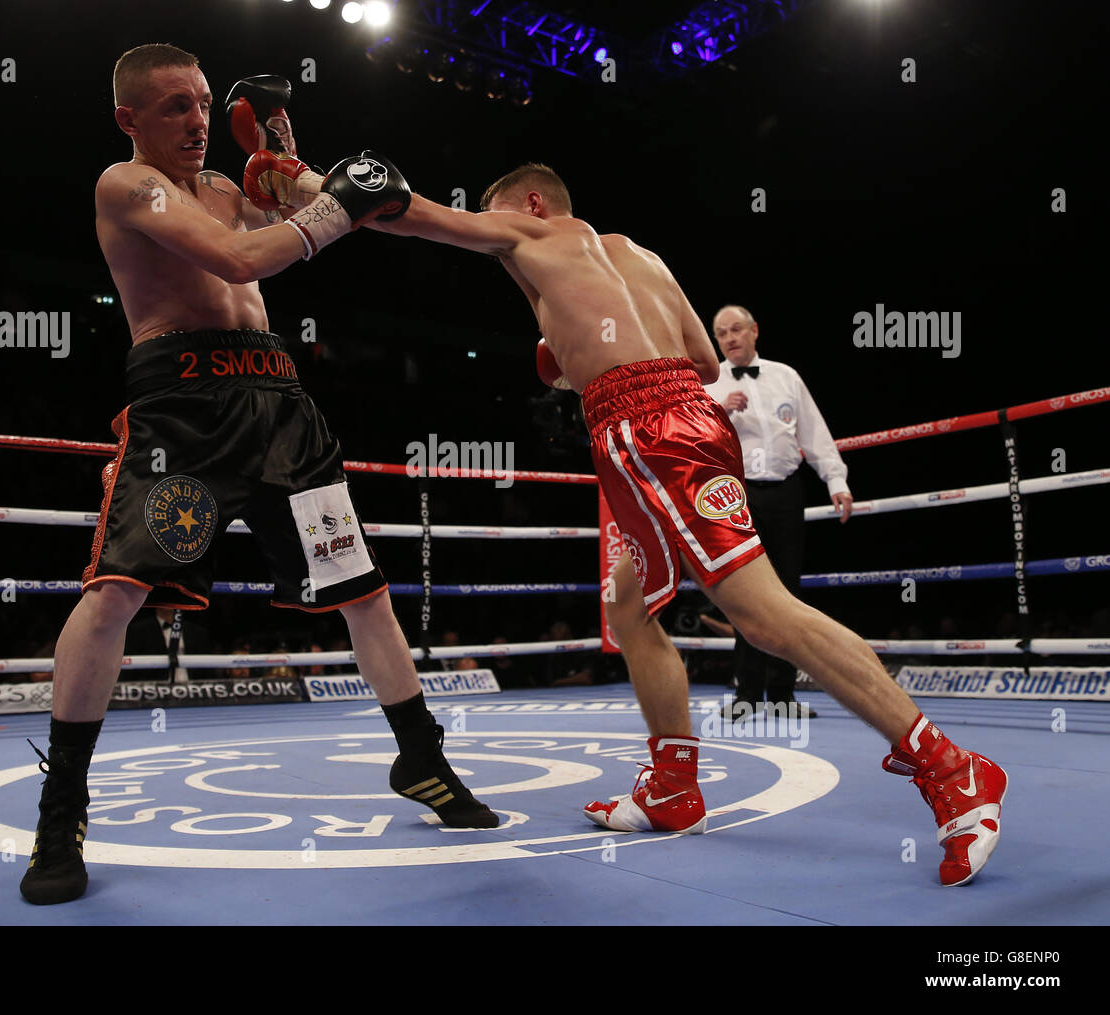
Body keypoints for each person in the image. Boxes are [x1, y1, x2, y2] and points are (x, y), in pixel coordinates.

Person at [366, 163, 1006, 886]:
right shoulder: (643, 255)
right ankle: (673, 785)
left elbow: (410, 211)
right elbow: (703, 361)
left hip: (646, 428)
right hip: (682, 416)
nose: (505, 249)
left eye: (505, 223)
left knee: (763, 614)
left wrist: (305, 189)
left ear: (534, 203)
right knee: (627, 604)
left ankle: (955, 769)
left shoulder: (534, 229)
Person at [19, 44, 496, 907]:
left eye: (203, 103)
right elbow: (241, 262)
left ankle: (421, 759)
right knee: (116, 591)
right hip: (185, 411)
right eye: (173, 107)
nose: (197, 120)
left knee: (363, 589)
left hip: (279, 403)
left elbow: (355, 209)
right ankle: (63, 808)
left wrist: (302, 167)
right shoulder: (124, 187)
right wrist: (327, 207)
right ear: (129, 119)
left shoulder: (232, 192)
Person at [704, 305, 854, 719]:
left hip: (787, 493)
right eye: (721, 333)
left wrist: (836, 480)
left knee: (787, 594)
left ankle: (783, 696)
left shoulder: (786, 375)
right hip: (735, 495)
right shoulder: (709, 383)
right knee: (745, 596)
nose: (730, 338)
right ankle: (747, 696)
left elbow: (814, 432)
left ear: (754, 331)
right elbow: (693, 446)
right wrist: (718, 412)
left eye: (736, 329)